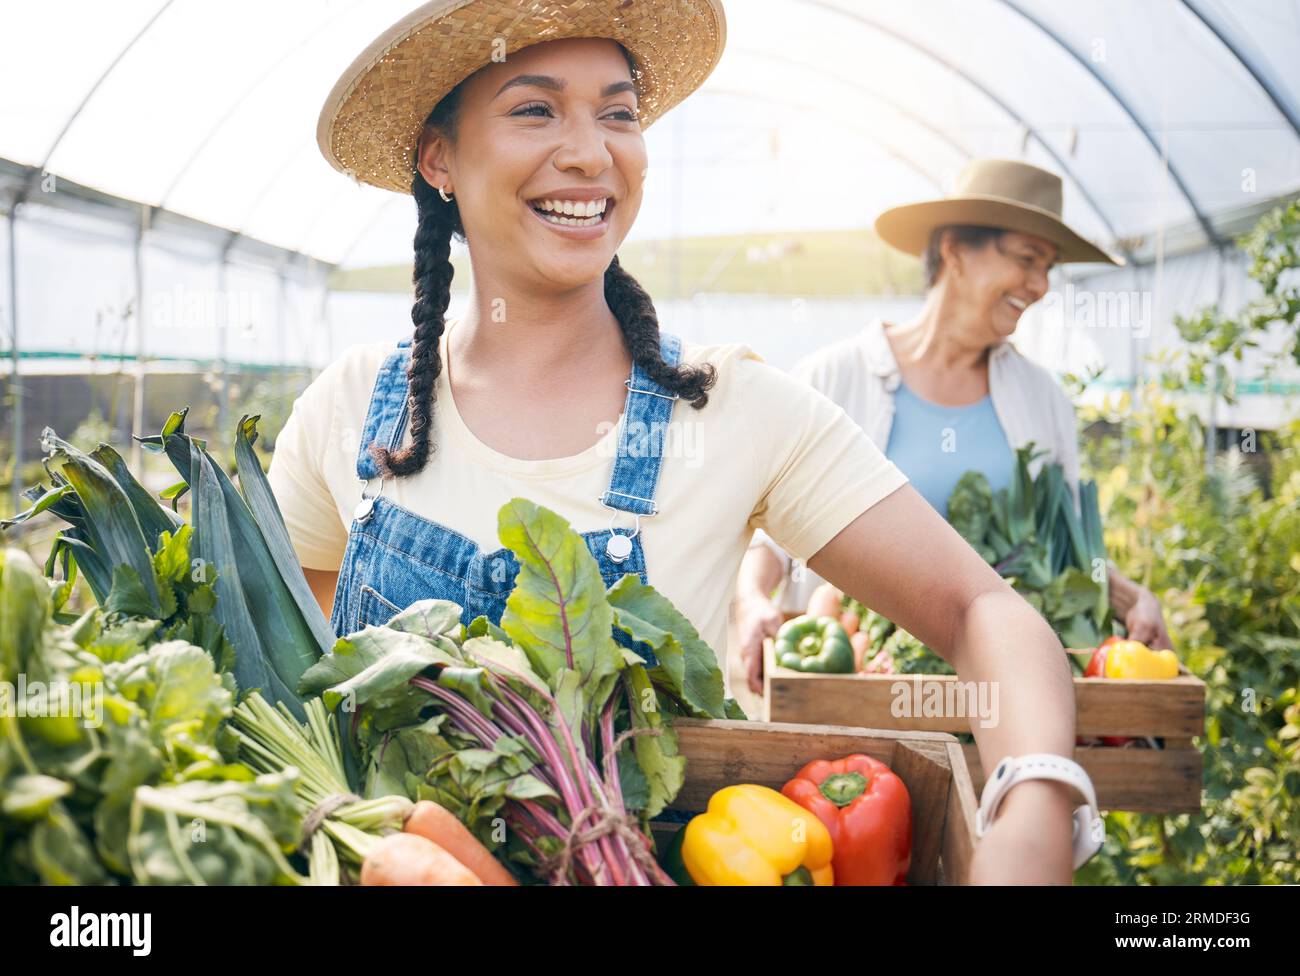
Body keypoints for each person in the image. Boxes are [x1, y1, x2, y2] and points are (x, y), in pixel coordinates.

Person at [269, 1, 1093, 883]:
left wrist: (1033, 804)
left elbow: (982, 611)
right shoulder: (353, 406)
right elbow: (287, 657)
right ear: (438, 156)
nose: (592, 151)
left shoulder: (735, 408)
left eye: (618, 112)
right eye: (535, 108)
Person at [736, 159, 1172, 696]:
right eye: (1028, 259)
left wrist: (1132, 599)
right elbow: (770, 535)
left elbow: (1067, 556)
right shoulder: (834, 376)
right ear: (955, 250)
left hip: (1003, 689)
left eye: (1049, 267)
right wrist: (754, 600)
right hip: (857, 681)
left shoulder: (1042, 400)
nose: (1040, 285)